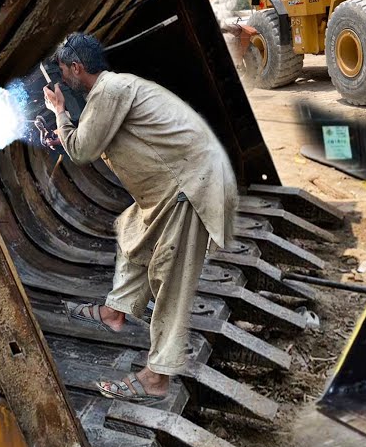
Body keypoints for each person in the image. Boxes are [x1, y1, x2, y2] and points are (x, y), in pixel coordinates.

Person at [41, 32, 239, 404]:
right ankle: (116, 311)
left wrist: (59, 113)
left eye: (64, 70)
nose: (62, 76)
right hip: (168, 188)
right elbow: (95, 138)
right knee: (133, 230)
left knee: (171, 278)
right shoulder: (111, 91)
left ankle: (157, 377)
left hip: (188, 188)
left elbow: (82, 149)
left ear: (76, 68)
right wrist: (64, 132)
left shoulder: (108, 91)